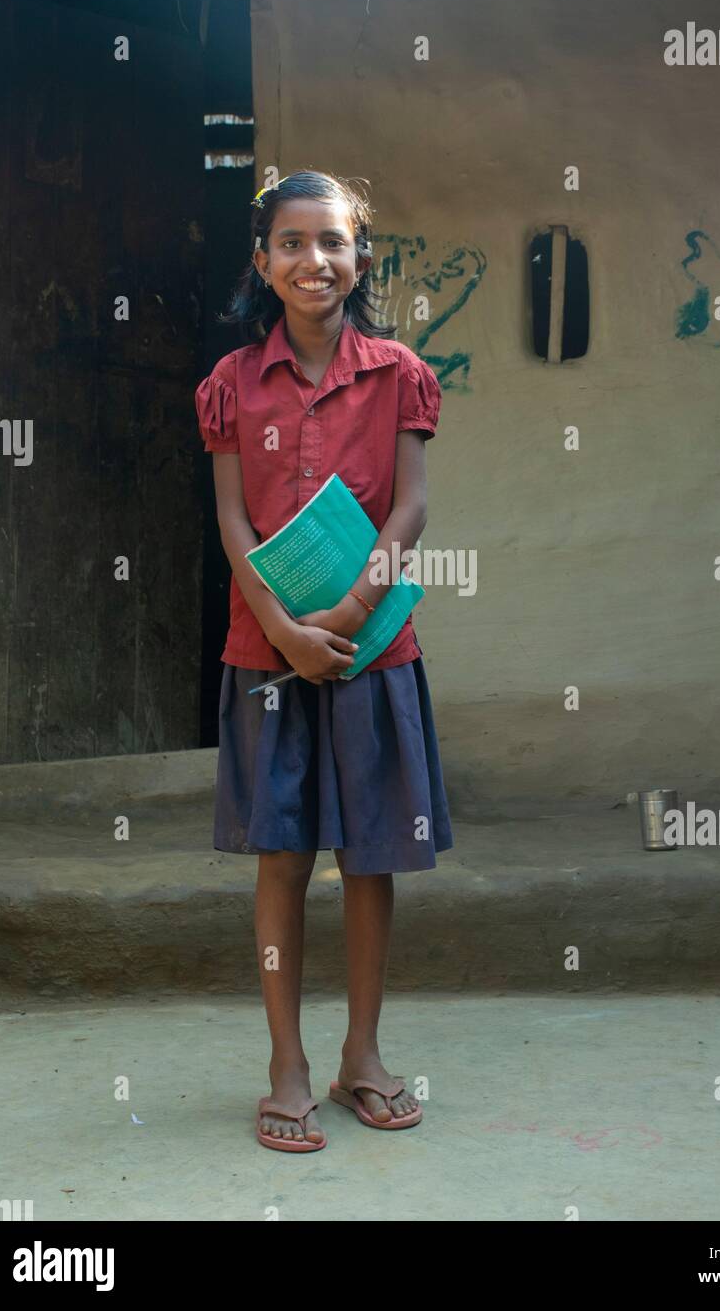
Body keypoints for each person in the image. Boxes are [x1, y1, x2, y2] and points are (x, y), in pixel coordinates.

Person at [194, 169, 454, 1152]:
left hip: (371, 648)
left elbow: (411, 506)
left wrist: (346, 610)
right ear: (262, 262)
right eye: (292, 243)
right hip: (266, 658)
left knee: (371, 853)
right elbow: (230, 522)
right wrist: (287, 632)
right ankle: (286, 1062)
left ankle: (363, 1054)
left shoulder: (398, 373)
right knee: (281, 856)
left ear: (362, 257)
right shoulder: (229, 382)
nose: (314, 260)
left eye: (333, 241)